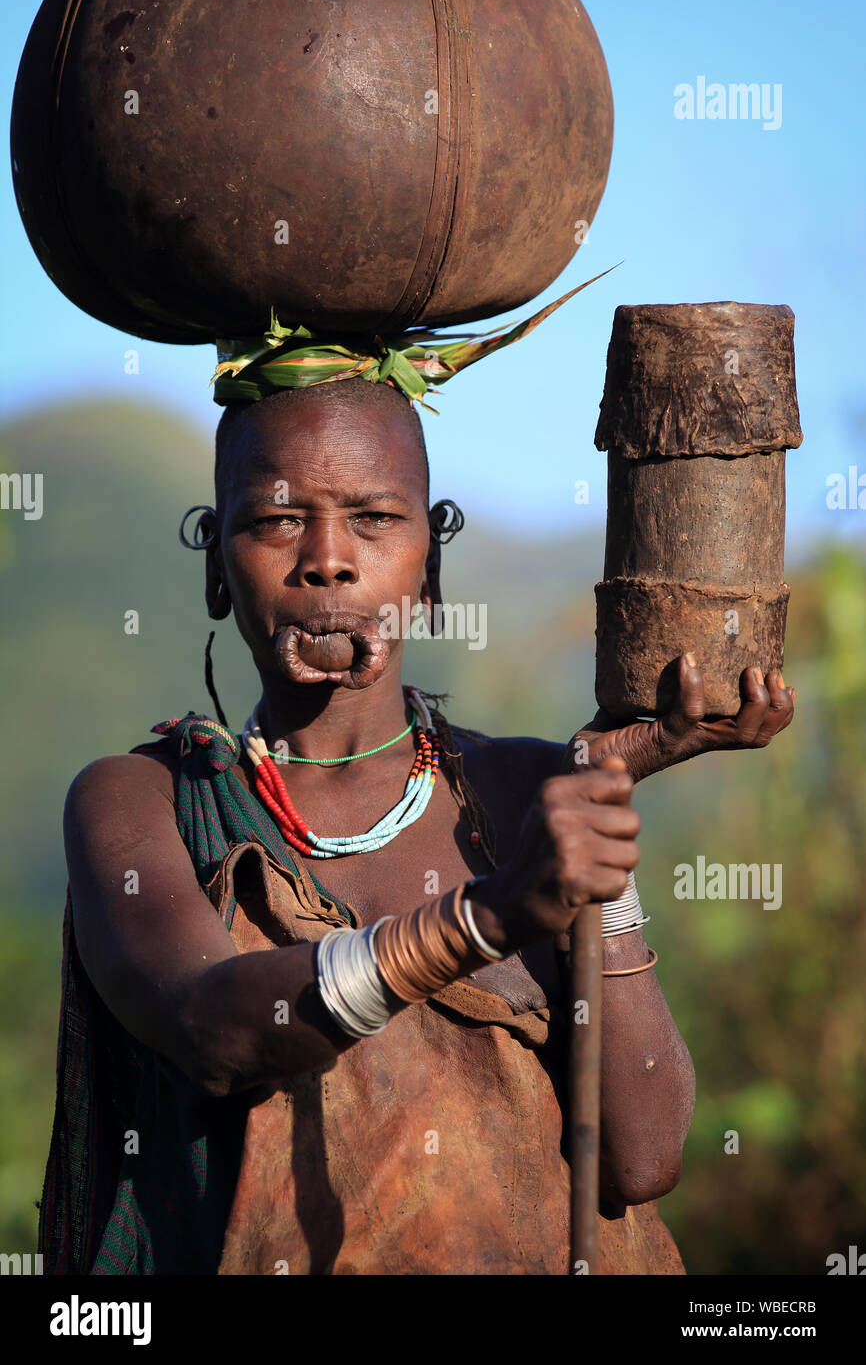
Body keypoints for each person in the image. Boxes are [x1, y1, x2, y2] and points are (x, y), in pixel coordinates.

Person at [40, 375, 795, 1275]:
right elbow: (212, 1030)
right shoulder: (144, 801)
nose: (328, 558)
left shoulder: (524, 789)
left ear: (431, 564)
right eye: (277, 521)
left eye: (373, 518)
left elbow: (641, 1157)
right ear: (213, 564)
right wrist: (490, 916)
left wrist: (602, 800)